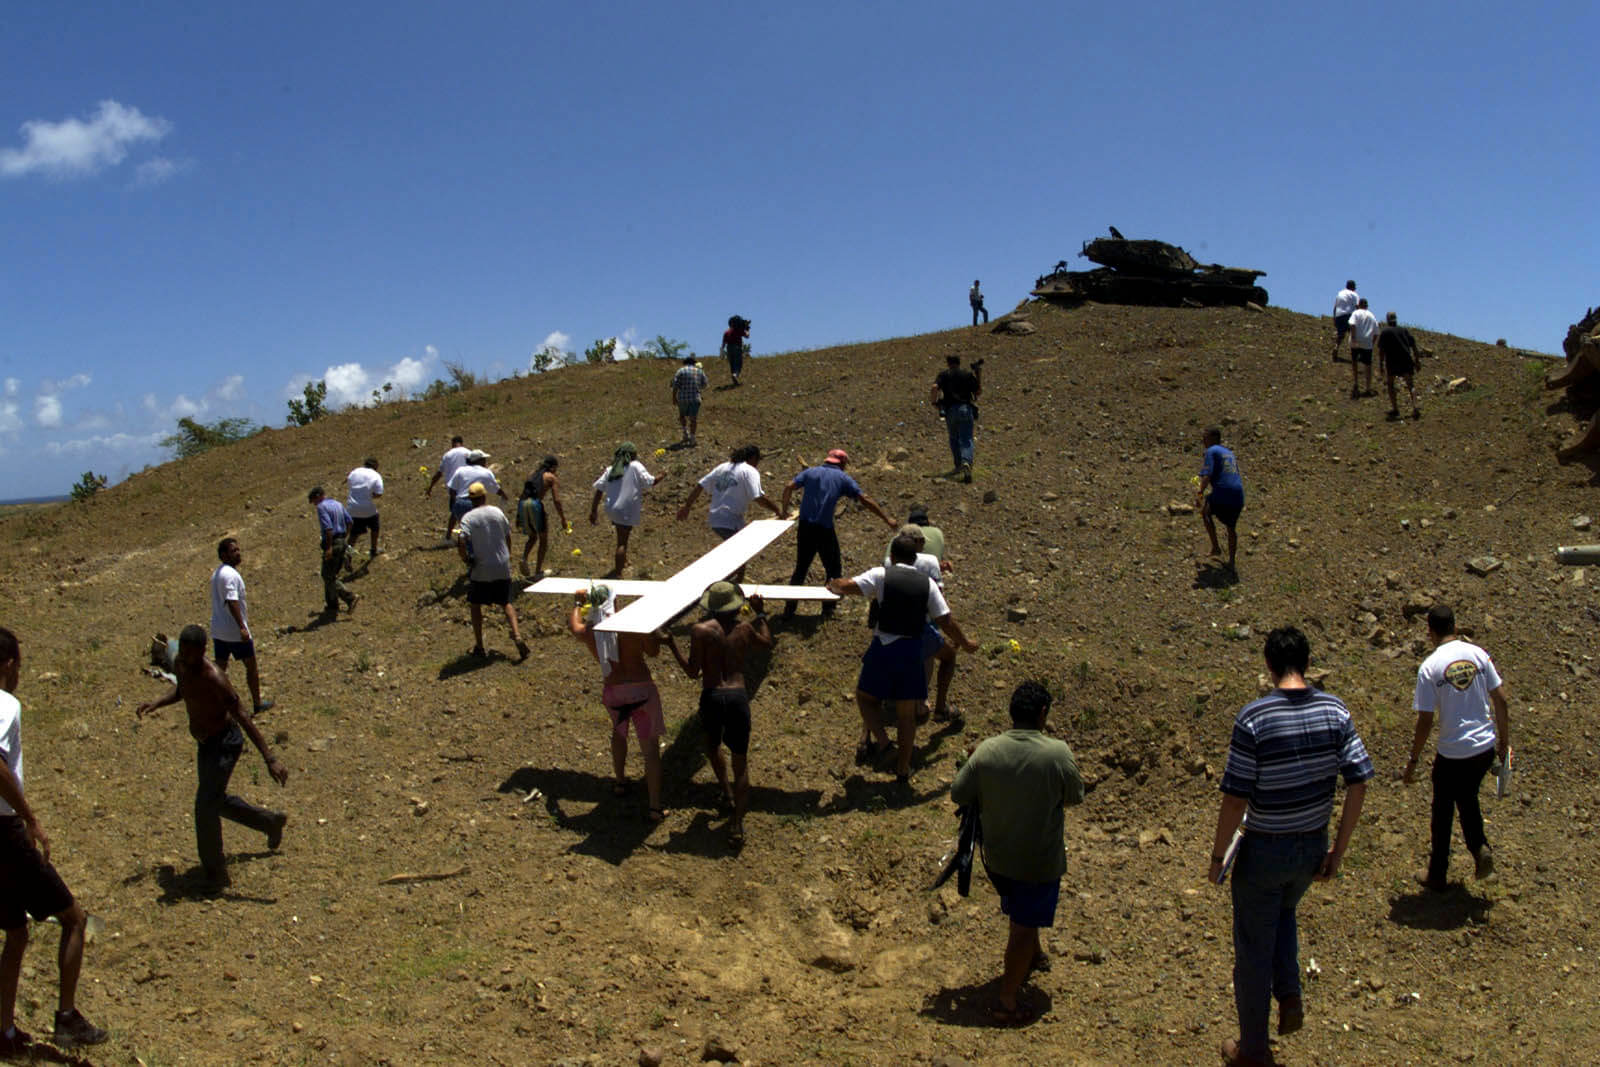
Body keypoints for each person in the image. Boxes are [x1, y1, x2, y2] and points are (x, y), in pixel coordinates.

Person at [1210, 626, 1372, 1067]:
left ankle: (1253, 1051)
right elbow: (1359, 781)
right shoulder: (1335, 711)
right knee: (1283, 914)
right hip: (1311, 847)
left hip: (1263, 848)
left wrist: (1217, 855)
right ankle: (1290, 993)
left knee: (1251, 949)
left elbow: (1235, 796)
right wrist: (1338, 850)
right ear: (1306, 662)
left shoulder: (1255, 718)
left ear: (1268, 666)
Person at [0, 627, 108, 1053]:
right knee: (74, 919)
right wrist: (31, 818)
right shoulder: (6, 704)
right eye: (19, 664)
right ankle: (66, 1018)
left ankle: (4, 1032)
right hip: (5, 833)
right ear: (8, 664)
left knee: (16, 932)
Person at [950, 680, 1083, 1025]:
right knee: (1022, 927)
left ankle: (1034, 954)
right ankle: (1007, 999)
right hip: (1038, 862)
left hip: (997, 859)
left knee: (1022, 912)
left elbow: (958, 793)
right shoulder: (1057, 753)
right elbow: (1074, 796)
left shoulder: (987, 750)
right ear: (1042, 714)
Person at [135, 625, 290, 890]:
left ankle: (216, 874)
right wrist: (156, 703)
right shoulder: (182, 664)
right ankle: (269, 821)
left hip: (225, 743)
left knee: (204, 806)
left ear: (204, 652)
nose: (185, 658)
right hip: (205, 744)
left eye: (191, 654)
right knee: (213, 799)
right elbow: (183, 690)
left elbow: (243, 716)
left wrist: (269, 757)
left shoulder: (215, 678)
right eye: (182, 653)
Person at [826, 533, 979, 784]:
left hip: (884, 646)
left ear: (892, 557)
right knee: (907, 714)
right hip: (911, 649)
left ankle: (885, 745)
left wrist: (833, 584)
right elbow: (945, 620)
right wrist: (966, 643)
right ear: (915, 558)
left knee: (865, 698)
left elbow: (848, 586)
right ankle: (903, 770)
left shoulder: (880, 574)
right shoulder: (927, 584)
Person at [1403, 604, 1511, 891]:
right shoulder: (1478, 654)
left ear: (1430, 632)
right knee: (1466, 796)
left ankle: (1437, 874)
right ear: (1455, 626)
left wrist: (1413, 760)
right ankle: (1479, 849)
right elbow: (1501, 699)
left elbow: (1425, 720)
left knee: (1442, 810)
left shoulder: (1430, 667)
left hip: (1453, 751)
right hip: (1484, 747)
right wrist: (1504, 742)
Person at [664, 582, 772, 844]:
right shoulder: (745, 630)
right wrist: (760, 615)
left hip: (712, 695)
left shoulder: (700, 631)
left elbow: (692, 672)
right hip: (737, 697)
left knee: (712, 747)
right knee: (740, 761)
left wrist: (671, 645)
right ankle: (736, 823)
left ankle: (725, 791)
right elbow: (767, 643)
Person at [567, 587, 668, 821]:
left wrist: (575, 603)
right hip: (641, 690)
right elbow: (653, 651)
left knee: (619, 734)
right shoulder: (630, 627)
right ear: (615, 602)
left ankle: (620, 781)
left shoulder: (591, 631)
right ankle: (654, 806)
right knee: (650, 749)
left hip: (615, 692)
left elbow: (574, 627)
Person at [780, 450, 898, 619]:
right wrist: (886, 518)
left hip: (805, 528)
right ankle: (828, 609)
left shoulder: (810, 472)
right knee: (833, 569)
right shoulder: (843, 478)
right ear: (842, 464)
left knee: (801, 568)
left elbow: (788, 487)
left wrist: (784, 511)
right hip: (824, 530)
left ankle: (789, 610)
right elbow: (864, 498)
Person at [456, 482, 528, 660]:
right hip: (501, 564)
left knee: (475, 605)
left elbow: (461, 540)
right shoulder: (497, 512)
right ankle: (517, 635)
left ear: (471, 500)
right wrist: (507, 556)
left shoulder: (468, 518)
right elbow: (508, 535)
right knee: (505, 602)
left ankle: (480, 646)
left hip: (481, 567)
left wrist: (466, 558)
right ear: (485, 496)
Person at [210, 537, 273, 714]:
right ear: (223, 555)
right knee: (251, 666)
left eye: (238, 550)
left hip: (219, 630)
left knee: (220, 669)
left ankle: (215, 704)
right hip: (234, 632)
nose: (238, 553)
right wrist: (242, 627)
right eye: (233, 551)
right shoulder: (229, 575)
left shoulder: (217, 574)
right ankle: (257, 703)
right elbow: (232, 601)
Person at [676, 445, 782, 540]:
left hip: (716, 519)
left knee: (742, 553)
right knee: (741, 554)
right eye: (758, 460)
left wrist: (687, 506)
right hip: (730, 521)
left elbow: (700, 485)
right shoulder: (750, 471)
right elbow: (758, 498)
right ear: (753, 458)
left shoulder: (722, 467)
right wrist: (776, 509)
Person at [590, 443, 656, 577]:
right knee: (622, 543)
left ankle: (624, 561)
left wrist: (593, 510)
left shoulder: (611, 469)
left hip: (612, 509)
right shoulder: (635, 466)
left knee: (620, 534)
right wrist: (662, 475)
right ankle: (618, 572)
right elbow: (650, 482)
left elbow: (599, 490)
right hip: (625, 510)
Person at [1196, 428, 1245, 569]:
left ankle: (1216, 547)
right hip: (1238, 494)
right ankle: (1231, 562)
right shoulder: (1229, 453)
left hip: (1223, 492)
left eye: (1205, 437)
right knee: (1231, 528)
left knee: (1205, 513)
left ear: (1212, 438)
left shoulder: (1211, 451)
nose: (1203, 440)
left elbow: (1207, 475)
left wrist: (1199, 493)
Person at [307, 487, 359, 616]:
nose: (315, 504)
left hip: (332, 543)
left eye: (314, 501)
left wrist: (329, 547)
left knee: (327, 576)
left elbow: (328, 529)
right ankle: (332, 604)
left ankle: (350, 597)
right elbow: (350, 522)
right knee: (331, 573)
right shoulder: (338, 504)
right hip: (341, 541)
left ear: (318, 496)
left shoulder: (322, 507)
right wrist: (344, 538)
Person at [932, 355, 983, 482]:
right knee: (966, 438)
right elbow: (978, 392)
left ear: (948, 363)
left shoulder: (944, 375)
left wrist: (934, 403)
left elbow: (934, 388)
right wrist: (979, 376)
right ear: (959, 363)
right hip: (965, 409)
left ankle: (959, 465)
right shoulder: (967, 374)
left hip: (950, 411)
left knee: (954, 438)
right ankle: (966, 463)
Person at [517, 456, 568, 579]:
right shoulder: (551, 477)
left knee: (532, 536)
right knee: (543, 540)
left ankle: (524, 558)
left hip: (523, 503)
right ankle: (537, 571)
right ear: (553, 467)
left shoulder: (532, 474)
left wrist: (518, 516)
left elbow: (523, 493)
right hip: (535, 505)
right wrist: (563, 518)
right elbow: (557, 500)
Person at [446, 450, 505, 533]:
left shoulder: (460, 470)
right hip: (475, 502)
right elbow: (496, 489)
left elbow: (452, 489)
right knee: (476, 532)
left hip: (459, 503)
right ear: (479, 461)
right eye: (484, 459)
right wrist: (504, 495)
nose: (485, 462)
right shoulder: (486, 472)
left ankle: (449, 538)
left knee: (464, 529)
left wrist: (455, 502)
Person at [425, 435, 471, 541]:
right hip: (468, 485)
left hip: (453, 489)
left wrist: (430, 486)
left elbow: (439, 473)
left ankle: (449, 536)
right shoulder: (468, 452)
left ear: (452, 444)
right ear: (462, 443)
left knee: (455, 512)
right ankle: (468, 535)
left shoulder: (447, 455)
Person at [1377, 311, 1421, 420]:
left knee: (1391, 384)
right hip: (1406, 359)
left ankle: (1395, 409)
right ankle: (1415, 406)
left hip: (1392, 361)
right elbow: (1413, 345)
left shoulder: (1385, 332)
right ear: (1396, 319)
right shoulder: (1404, 330)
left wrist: (1381, 365)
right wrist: (1417, 360)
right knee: (1410, 384)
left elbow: (1381, 351)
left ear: (1387, 320)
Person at [345, 456, 384, 559]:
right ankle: (373, 550)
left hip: (352, 508)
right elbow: (379, 493)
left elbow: (349, 484)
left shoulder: (355, 472)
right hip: (367, 508)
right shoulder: (376, 475)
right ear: (375, 466)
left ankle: (347, 554)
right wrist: (369, 495)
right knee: (375, 527)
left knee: (354, 533)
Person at [670, 356, 710, 445]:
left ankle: (685, 433)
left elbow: (675, 385)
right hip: (695, 398)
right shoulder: (699, 371)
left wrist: (674, 398)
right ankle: (692, 438)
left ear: (685, 363)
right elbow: (705, 384)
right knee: (693, 419)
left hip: (683, 398)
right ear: (693, 363)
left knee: (682, 416)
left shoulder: (680, 371)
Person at [1347, 297, 1380, 398]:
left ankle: (1356, 382)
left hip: (1356, 340)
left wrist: (1353, 337)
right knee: (1368, 365)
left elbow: (1352, 324)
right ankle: (1368, 387)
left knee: (1354, 361)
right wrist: (1372, 343)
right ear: (1367, 306)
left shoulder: (1356, 313)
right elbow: (1376, 332)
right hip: (1367, 343)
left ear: (1359, 305)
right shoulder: (1372, 316)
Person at [1331, 280, 1359, 360]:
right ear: (1353, 287)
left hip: (1339, 316)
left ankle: (1336, 346)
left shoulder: (1340, 293)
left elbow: (1335, 307)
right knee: (1353, 334)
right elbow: (1357, 307)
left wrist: (1334, 318)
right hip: (1349, 315)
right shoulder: (1354, 294)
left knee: (1340, 334)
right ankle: (1353, 353)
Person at [722, 315, 750, 386]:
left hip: (729, 348)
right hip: (737, 347)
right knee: (738, 363)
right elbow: (747, 336)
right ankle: (735, 375)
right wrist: (746, 329)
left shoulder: (726, 332)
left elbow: (723, 344)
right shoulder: (738, 331)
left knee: (732, 364)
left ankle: (734, 378)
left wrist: (723, 351)